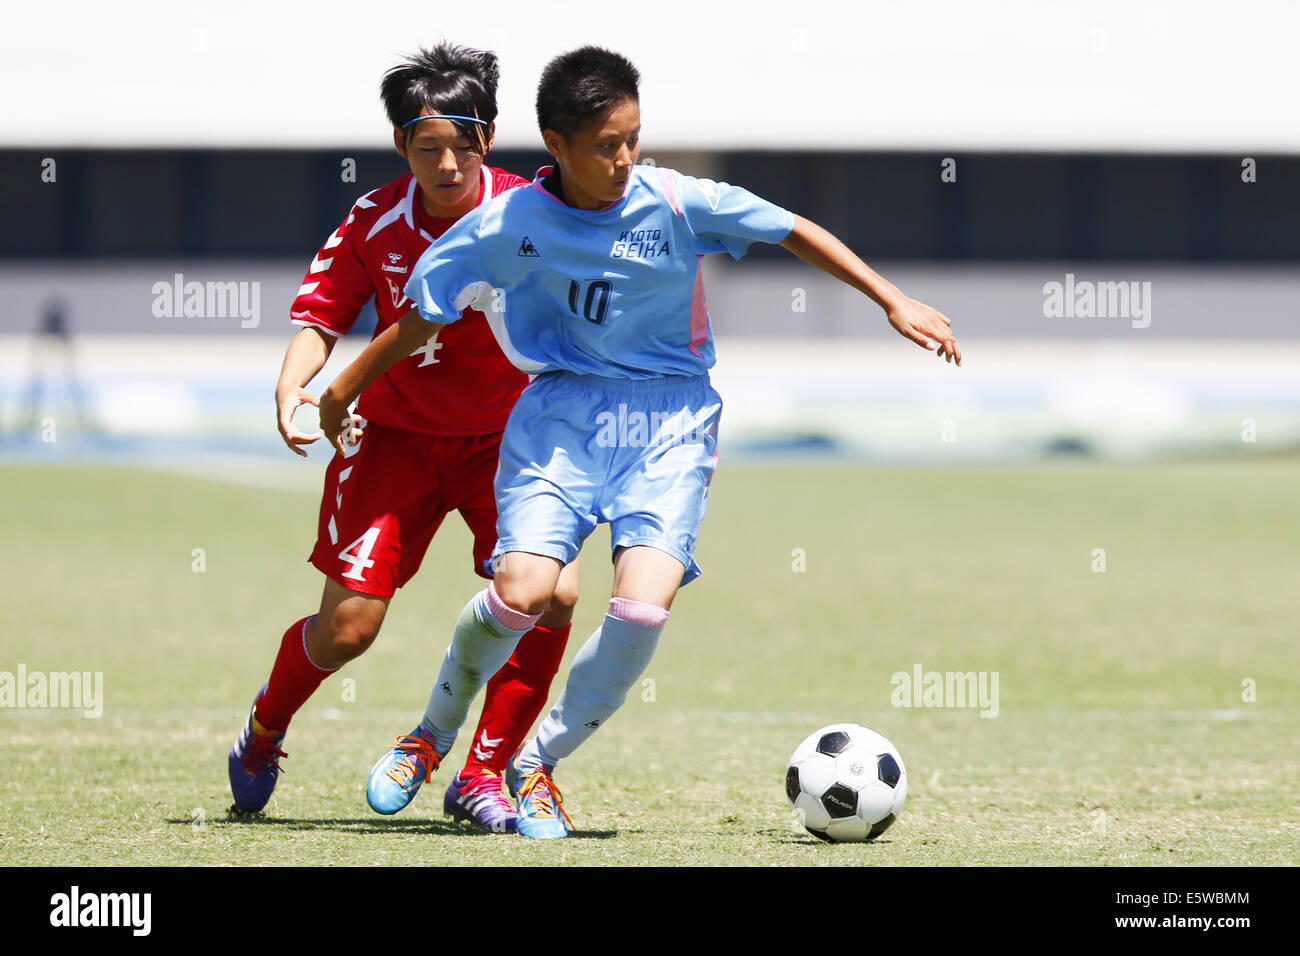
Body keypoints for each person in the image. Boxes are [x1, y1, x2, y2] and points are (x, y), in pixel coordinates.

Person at [318, 46, 960, 838]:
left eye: (633, 138)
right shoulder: (508, 224)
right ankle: (431, 734)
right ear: (555, 145)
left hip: (671, 423)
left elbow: (791, 228)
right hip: (561, 419)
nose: (624, 159)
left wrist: (891, 299)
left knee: (640, 611)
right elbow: (423, 312)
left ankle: (536, 765)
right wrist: (345, 385)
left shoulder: (678, 201)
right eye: (604, 145)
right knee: (522, 595)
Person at [227, 43, 579, 833]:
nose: (448, 165)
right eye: (428, 150)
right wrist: (293, 388)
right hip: (392, 442)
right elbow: (320, 317)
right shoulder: (374, 220)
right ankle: (264, 730)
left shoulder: (534, 213)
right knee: (349, 627)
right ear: (400, 146)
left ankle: (482, 772)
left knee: (552, 598)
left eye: (463, 146)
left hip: (508, 444)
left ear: (489, 137)